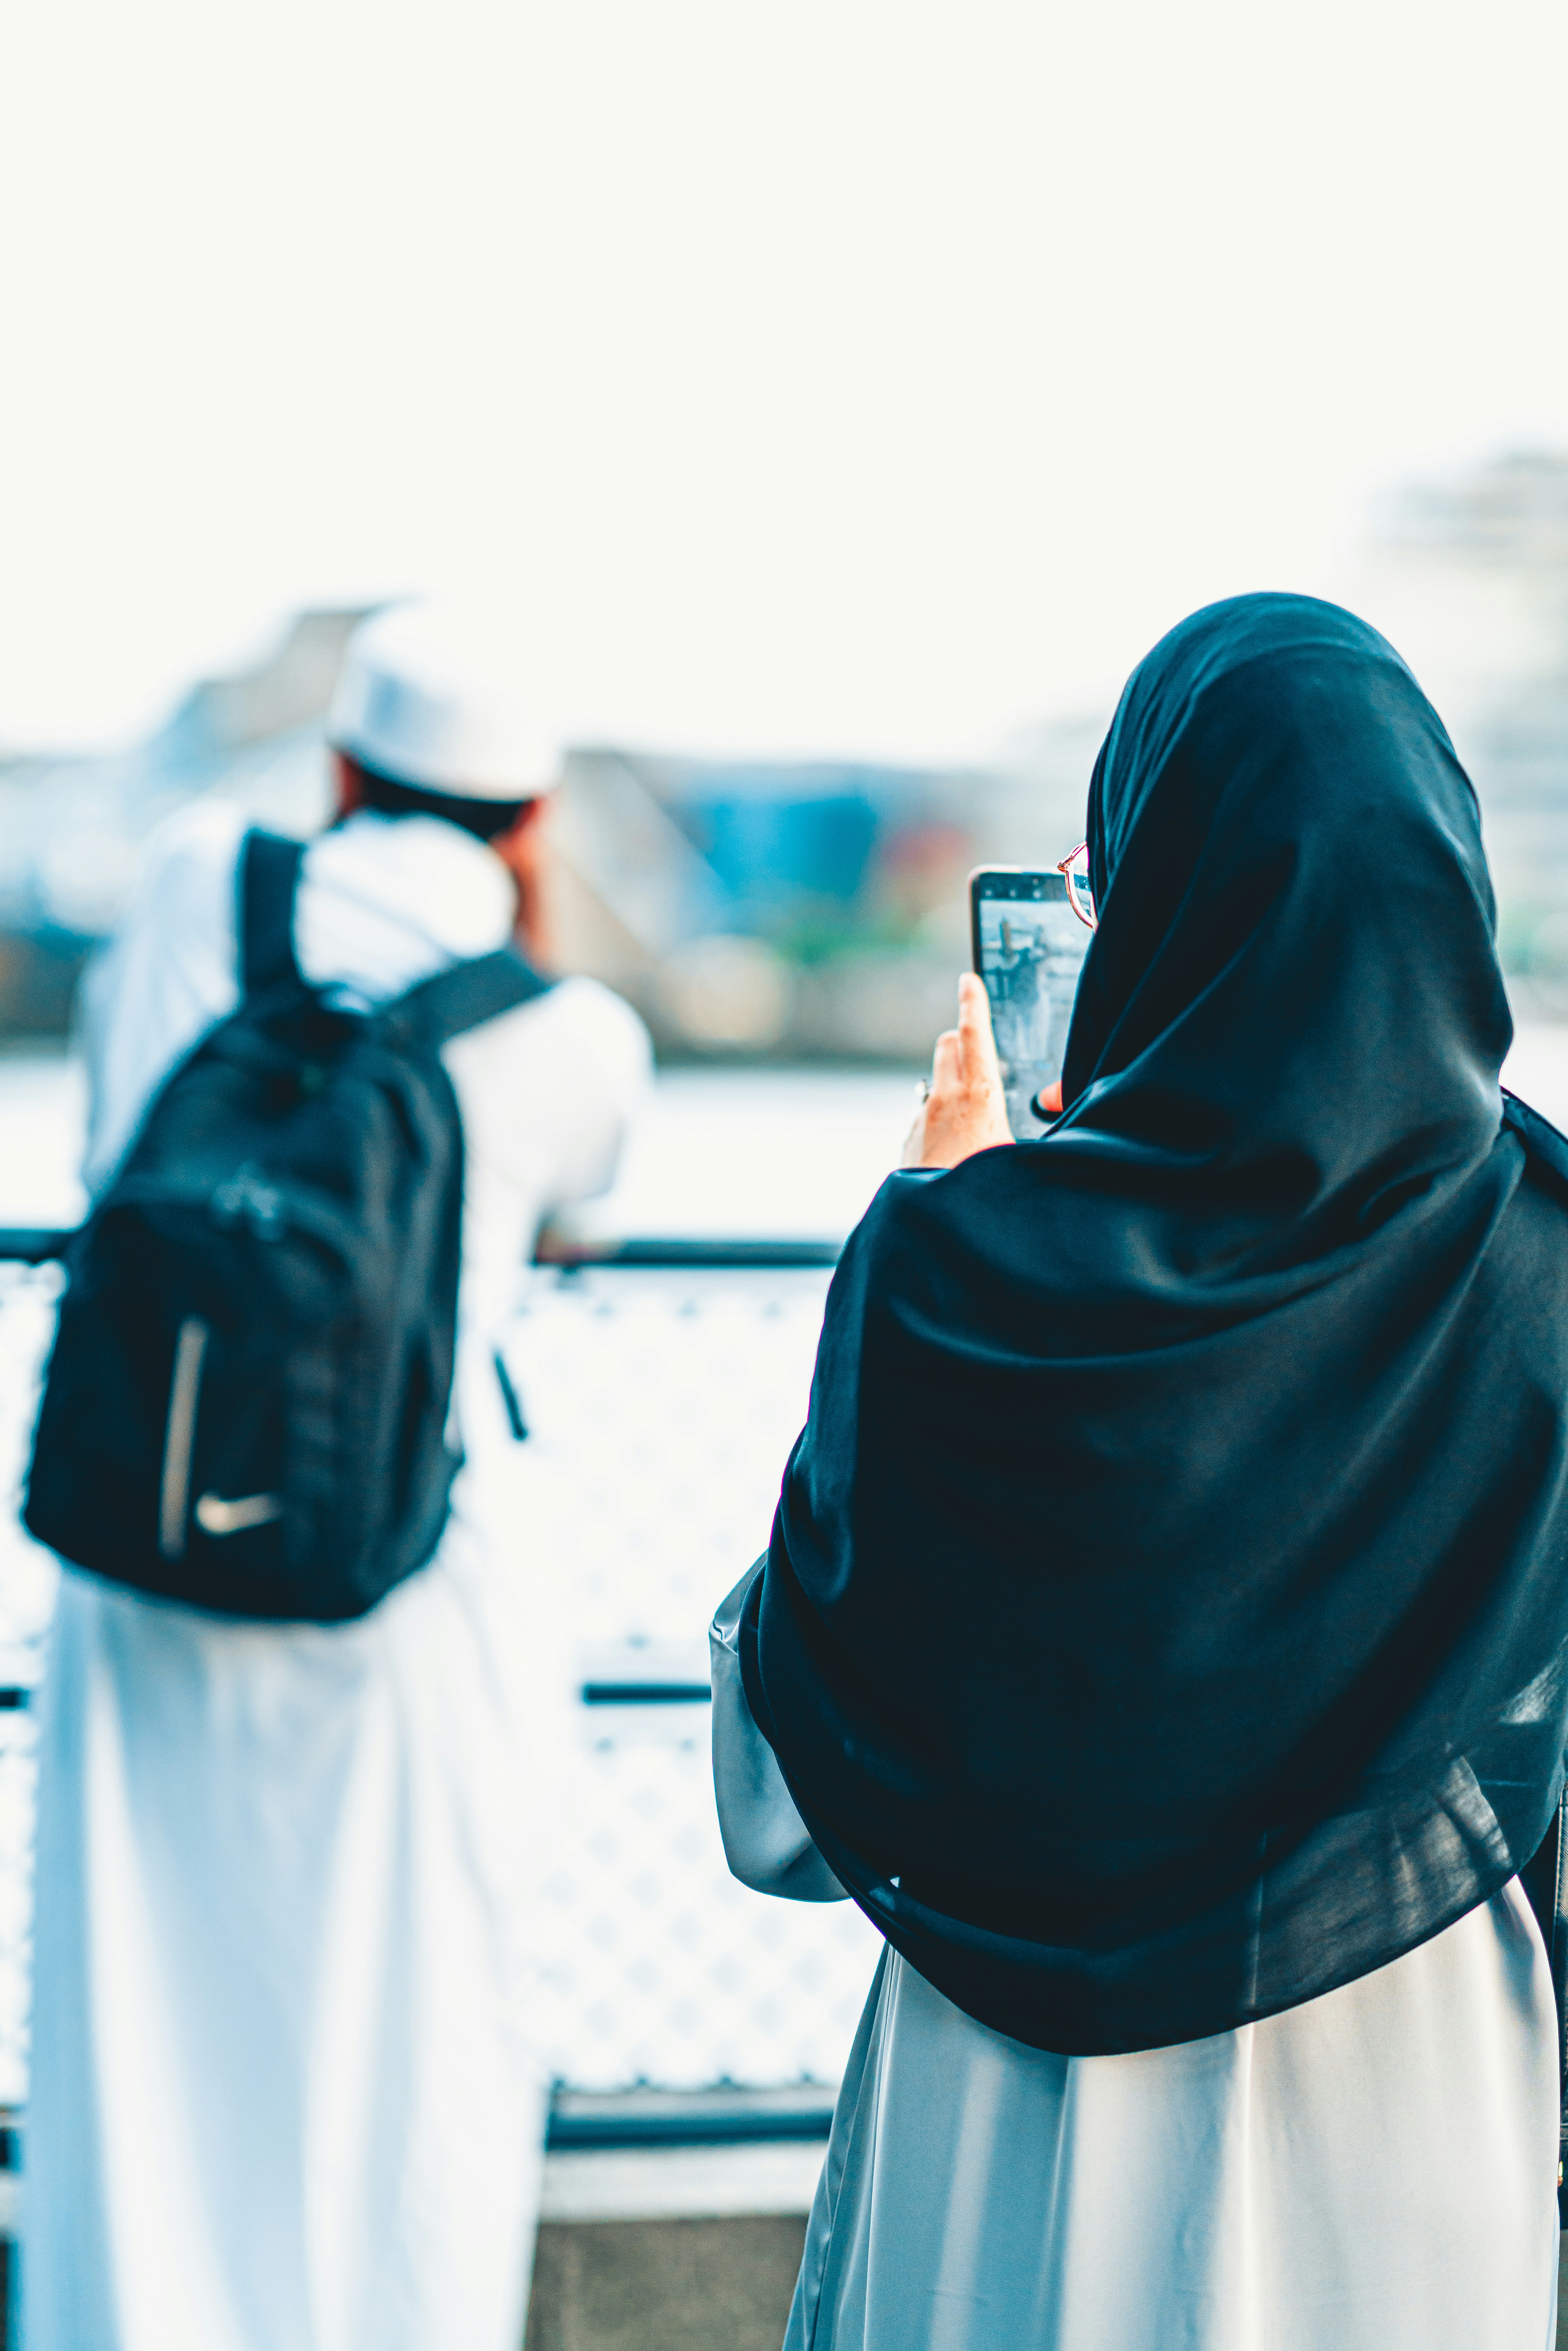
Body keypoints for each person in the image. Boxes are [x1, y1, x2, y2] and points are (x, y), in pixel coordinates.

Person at [712, 593, 1568, 2351]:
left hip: (1003, 2179)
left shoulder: (955, 1277)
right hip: (1412, 2136)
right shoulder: (1546, 1262)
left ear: (1160, 891)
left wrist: (946, 1224)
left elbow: (781, 1810)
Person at [25, 602, 652, 2351]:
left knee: (142, 2034)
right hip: (403, 1592)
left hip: (139, 1540)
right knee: (406, 2050)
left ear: (344, 768)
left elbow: (107, 1151)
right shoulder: (573, 1033)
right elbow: (567, 1217)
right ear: (528, 819)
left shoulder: (185, 888)